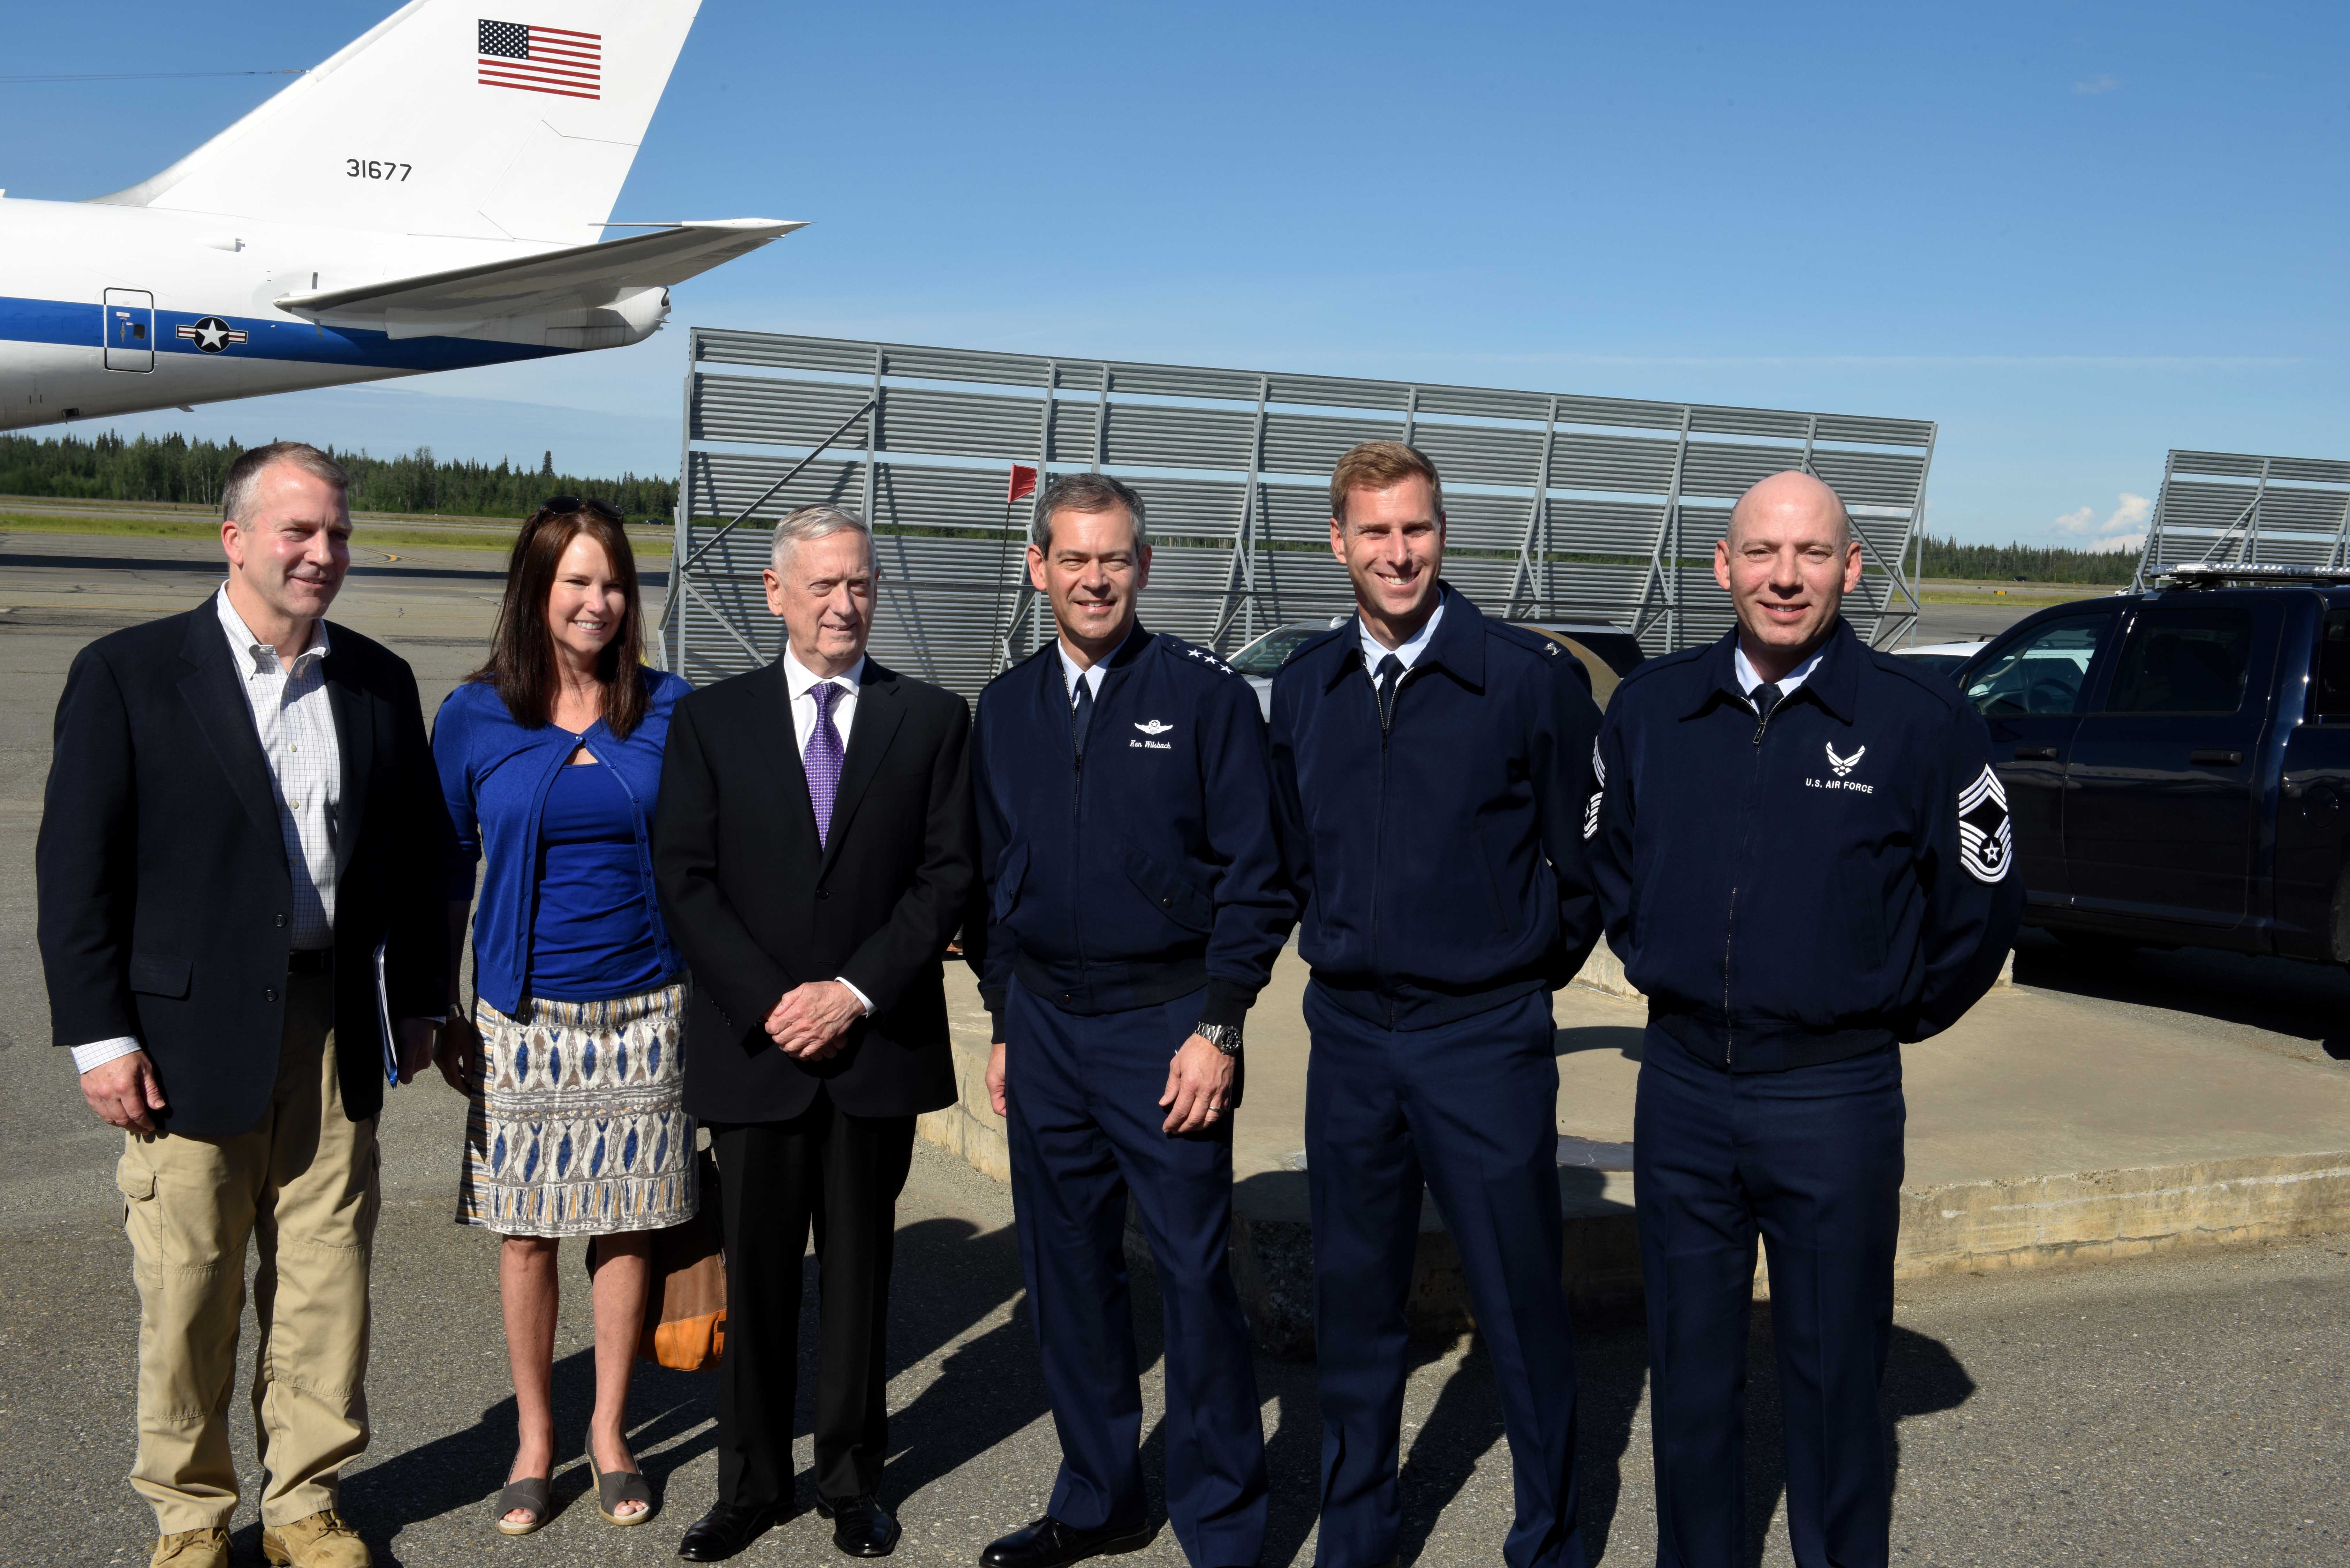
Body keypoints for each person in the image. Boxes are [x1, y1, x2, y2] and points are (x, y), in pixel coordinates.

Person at [1588, 471, 2023, 1568]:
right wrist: (1662, 964)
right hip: (1682, 1087)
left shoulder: (1922, 722)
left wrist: (1874, 1012)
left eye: (1815, 554)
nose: (1787, 578)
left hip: (1834, 1098)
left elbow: (1980, 903)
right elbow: (1610, 858)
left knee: (1834, 1387)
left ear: (1852, 568)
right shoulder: (1652, 710)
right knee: (1690, 1381)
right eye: (1765, 554)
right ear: (1722, 565)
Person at [35, 442, 448, 1568]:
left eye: (339, 535)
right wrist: (101, 1035)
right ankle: (191, 1516)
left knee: (325, 1279)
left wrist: (418, 1002)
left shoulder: (374, 681)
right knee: (192, 1284)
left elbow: (416, 866)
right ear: (235, 540)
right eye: (299, 532)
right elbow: (78, 873)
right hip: (183, 1038)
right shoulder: (128, 672)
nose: (324, 554)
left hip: (331, 1028)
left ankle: (306, 1500)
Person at [1267, 441, 1603, 1568]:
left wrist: (1511, 976)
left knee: (1518, 1310)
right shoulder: (1306, 689)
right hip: (1351, 1039)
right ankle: (1357, 1536)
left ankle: (1551, 1536)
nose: (1397, 553)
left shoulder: (1525, 680)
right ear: (1339, 544)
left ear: (1442, 534)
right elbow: (1289, 855)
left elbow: (1585, 866)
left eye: (1416, 529)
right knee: (1356, 1311)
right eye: (1374, 533)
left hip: (1484, 1041)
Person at [967, 474, 1290, 1568]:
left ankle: (1224, 1521)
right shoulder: (1005, 707)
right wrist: (1004, 1019)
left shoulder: (1202, 695)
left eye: (1115, 559)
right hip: (1049, 1028)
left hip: (1167, 1027)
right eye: (1074, 558)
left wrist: (1223, 1025)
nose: (1094, 578)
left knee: (1194, 1279)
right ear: (1038, 567)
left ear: (1142, 568)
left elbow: (1259, 875)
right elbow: (988, 883)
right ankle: (1098, 1494)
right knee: (1068, 1273)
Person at [653, 503, 976, 1563]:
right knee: (753, 1280)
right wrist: (772, 1002)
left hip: (870, 1050)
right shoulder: (711, 722)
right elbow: (686, 883)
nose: (846, 605)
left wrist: (852, 992)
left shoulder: (928, 721)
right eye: (825, 585)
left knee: (859, 1281)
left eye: (863, 585)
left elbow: (946, 880)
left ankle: (850, 1481)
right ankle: (749, 1484)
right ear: (775, 591)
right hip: (757, 1055)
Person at [428, 498, 694, 1535]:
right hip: (525, 1017)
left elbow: (709, 856)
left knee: (629, 1223)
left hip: (648, 1007)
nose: (598, 601)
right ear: (536, 592)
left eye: (614, 581)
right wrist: (438, 1000)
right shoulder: (475, 715)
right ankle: (537, 1439)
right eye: (576, 581)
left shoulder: (669, 708)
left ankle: (612, 1431)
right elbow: (448, 864)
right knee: (529, 1232)